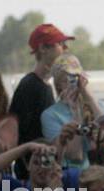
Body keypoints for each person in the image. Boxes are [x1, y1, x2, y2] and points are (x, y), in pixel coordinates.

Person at [41, 54, 104, 170]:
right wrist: (75, 113)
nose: (73, 84)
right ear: (58, 84)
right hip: (72, 176)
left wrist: (87, 95)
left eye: (76, 77)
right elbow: (75, 155)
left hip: (101, 173)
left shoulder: (99, 106)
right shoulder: (50, 115)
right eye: (67, 80)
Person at [10, 24, 72, 157]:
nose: (66, 48)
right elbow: (17, 134)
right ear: (43, 48)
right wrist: (11, 177)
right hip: (30, 170)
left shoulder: (45, 86)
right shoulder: (30, 86)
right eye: (60, 44)